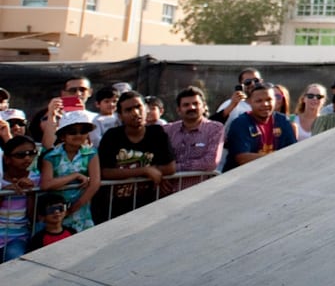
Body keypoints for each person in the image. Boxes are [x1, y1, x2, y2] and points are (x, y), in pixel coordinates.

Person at [94, 90, 177, 223]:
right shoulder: (112, 136)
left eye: (138, 107)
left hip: (148, 207)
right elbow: (105, 172)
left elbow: (170, 167)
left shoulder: (157, 133)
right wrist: (145, 171)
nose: (135, 113)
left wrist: (131, 173)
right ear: (120, 116)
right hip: (113, 209)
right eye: (128, 110)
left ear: (146, 108)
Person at [38, 110, 99, 233]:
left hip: (82, 213)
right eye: (72, 132)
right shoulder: (51, 156)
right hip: (55, 215)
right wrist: (74, 176)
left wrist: (75, 207)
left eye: (83, 131)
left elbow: (95, 183)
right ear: (62, 135)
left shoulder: (91, 153)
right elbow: (46, 184)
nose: (78, 135)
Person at [224, 82, 298, 167]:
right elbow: (242, 158)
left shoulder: (283, 121)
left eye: (269, 100)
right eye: (259, 101)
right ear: (250, 103)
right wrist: (277, 158)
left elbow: (293, 151)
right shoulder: (240, 123)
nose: (265, 104)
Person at [166, 86, 224, 177]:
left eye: (196, 103)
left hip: (200, 188)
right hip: (170, 189)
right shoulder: (168, 130)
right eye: (186, 105)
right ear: (178, 110)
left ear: (204, 106)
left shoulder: (215, 129)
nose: (191, 107)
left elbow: (210, 162)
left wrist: (171, 169)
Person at [1, 136, 40, 262]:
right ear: (7, 159)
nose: (27, 158)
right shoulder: (0, 181)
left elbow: (33, 216)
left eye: (31, 153)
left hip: (17, 238)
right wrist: (4, 192)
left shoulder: (36, 180)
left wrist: (30, 193)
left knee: (13, 259)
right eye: (21, 155)